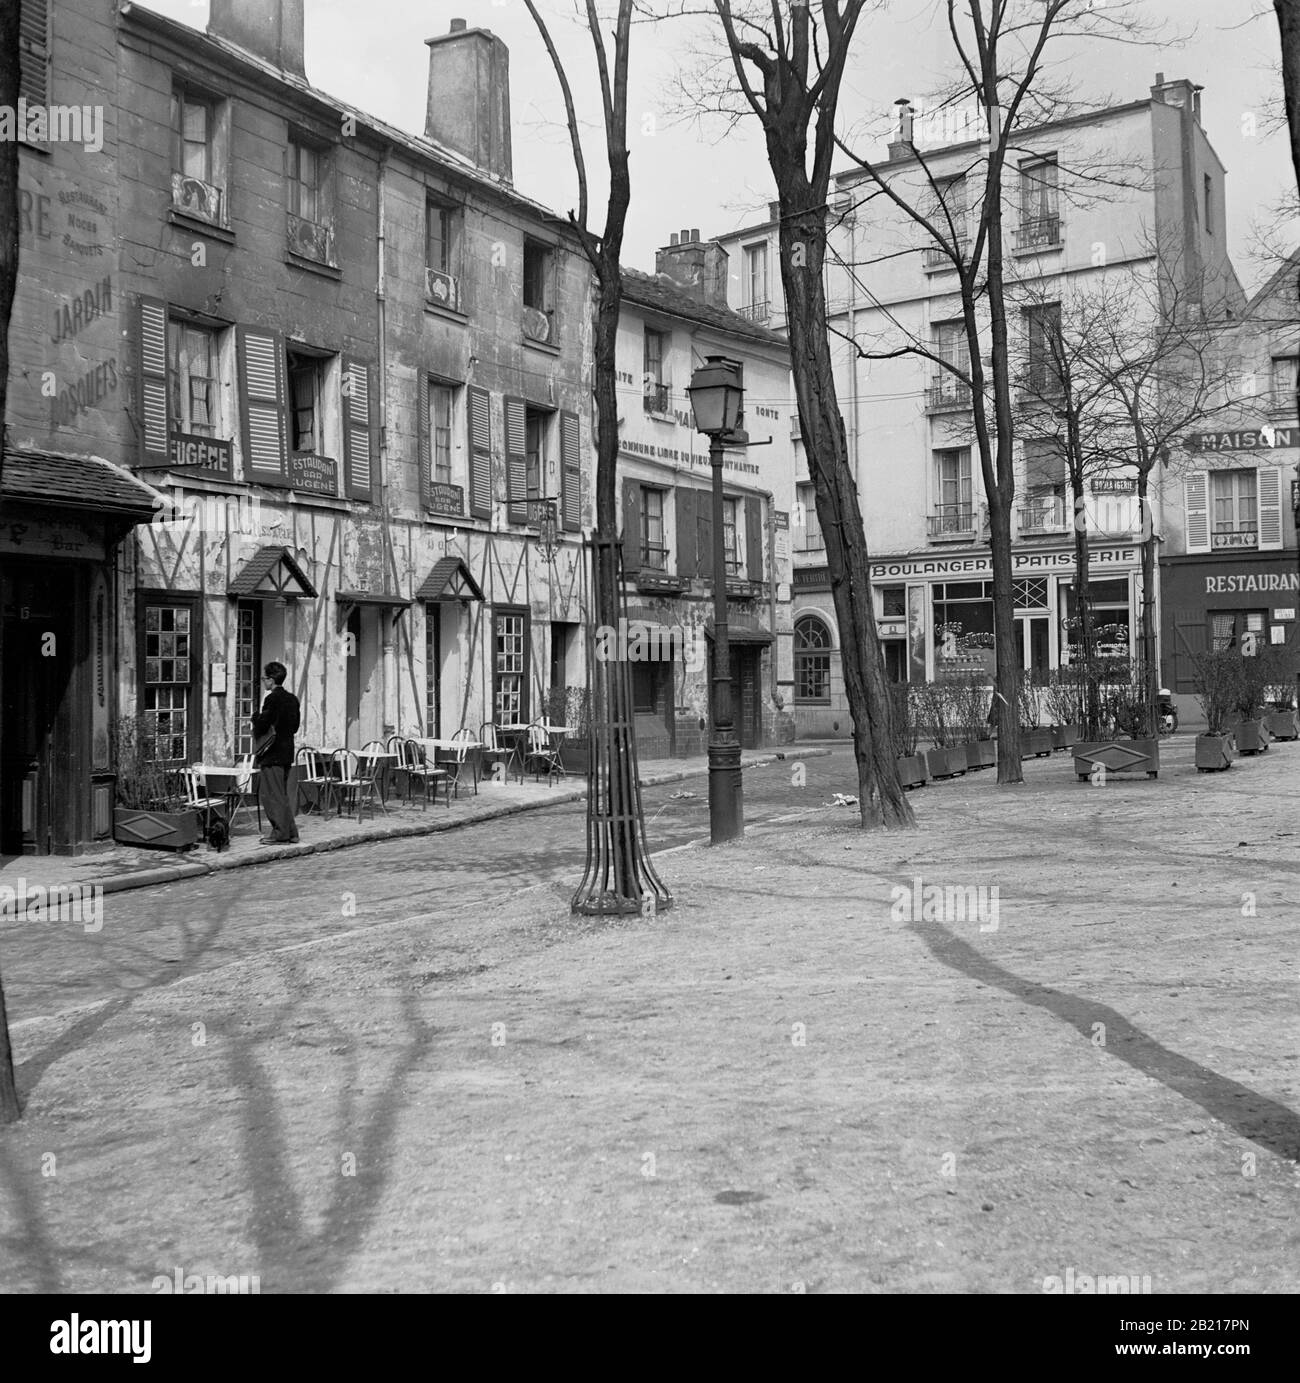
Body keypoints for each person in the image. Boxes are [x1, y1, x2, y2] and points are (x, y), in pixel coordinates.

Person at [251, 661, 301, 845]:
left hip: (272, 753)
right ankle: (292, 832)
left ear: (271, 680)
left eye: (264, 678)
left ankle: (280, 833)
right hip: (287, 752)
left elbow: (262, 724)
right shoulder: (293, 699)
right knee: (282, 794)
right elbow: (295, 727)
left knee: (272, 795)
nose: (264, 682)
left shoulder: (271, 699)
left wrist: (255, 716)